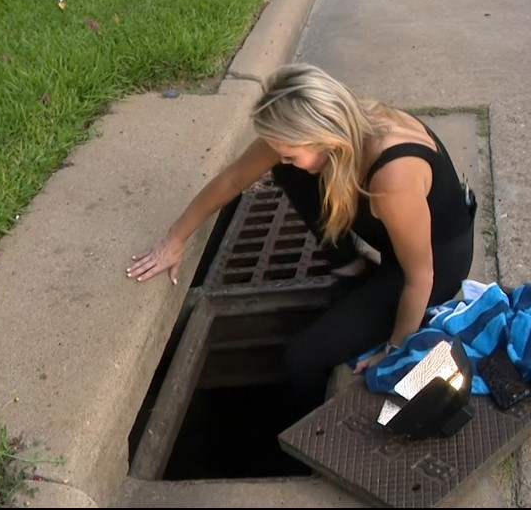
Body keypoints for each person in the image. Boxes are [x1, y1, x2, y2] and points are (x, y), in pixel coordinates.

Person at [127, 63, 476, 404]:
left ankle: (310, 421)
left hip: (432, 267)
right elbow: (234, 178)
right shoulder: (331, 129)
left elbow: (420, 275)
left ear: (322, 138)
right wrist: (175, 238)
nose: (283, 158)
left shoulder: (392, 177)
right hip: (394, 240)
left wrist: (395, 351)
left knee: (303, 357)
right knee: (290, 172)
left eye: (290, 153)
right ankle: (351, 267)